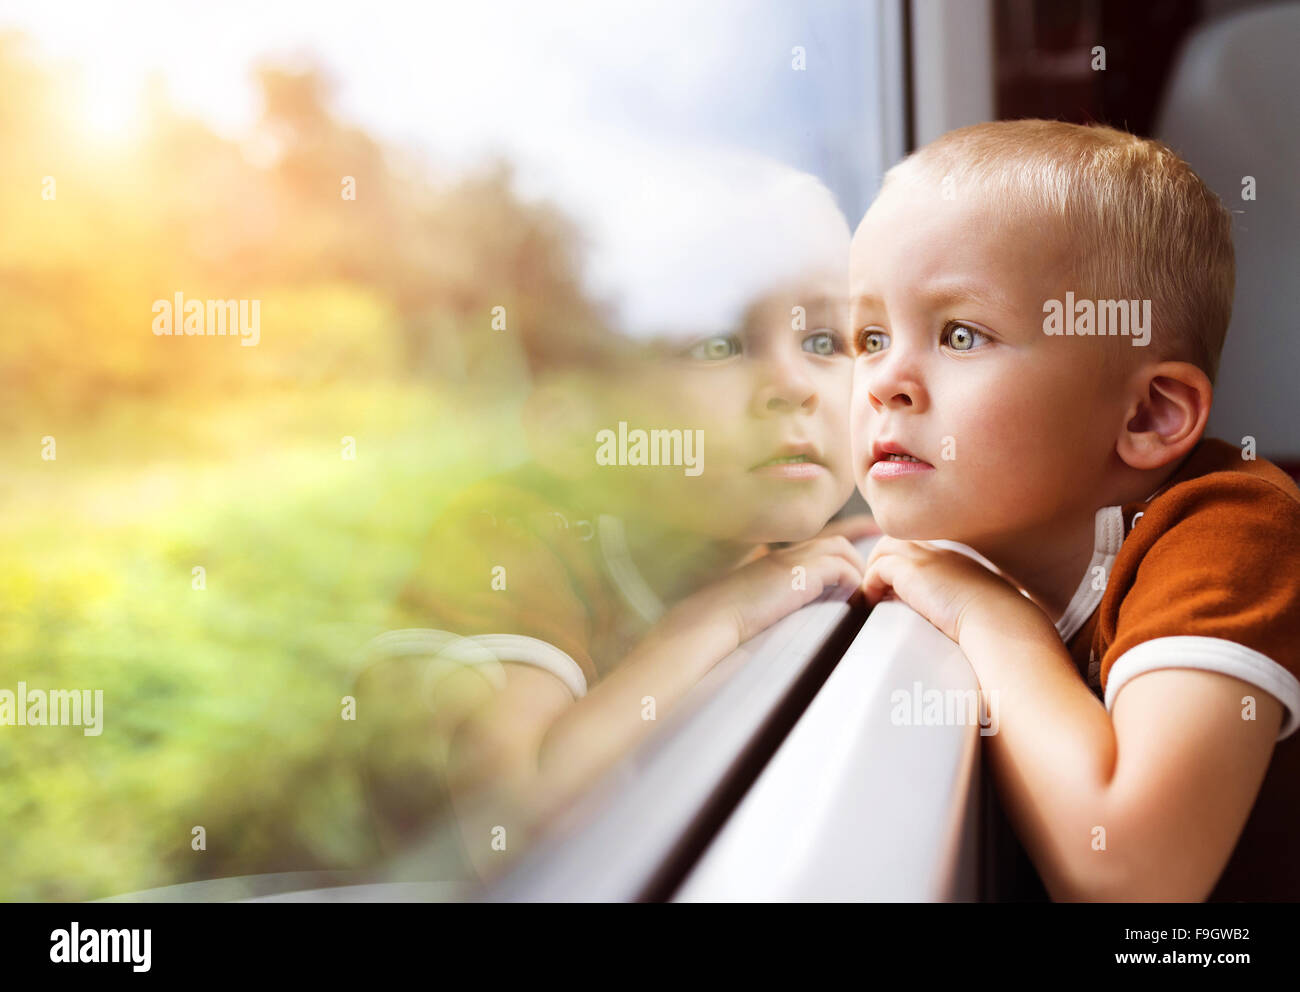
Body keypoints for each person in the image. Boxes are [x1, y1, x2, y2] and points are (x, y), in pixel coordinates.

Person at [358, 154, 874, 879]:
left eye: (825, 341)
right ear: (587, 407)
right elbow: (516, 812)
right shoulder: (513, 534)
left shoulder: (766, 539)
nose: (794, 384)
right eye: (720, 343)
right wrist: (722, 616)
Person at [852, 119, 1300, 901]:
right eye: (867, 335)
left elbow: (1133, 876)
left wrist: (986, 615)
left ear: (1148, 417)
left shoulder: (1235, 530)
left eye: (960, 333)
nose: (885, 381)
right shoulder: (1009, 524)